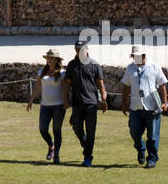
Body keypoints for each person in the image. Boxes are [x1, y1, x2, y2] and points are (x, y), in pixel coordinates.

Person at [121, 45, 168, 168]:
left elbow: (162, 84)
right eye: (135, 56)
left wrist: (164, 102)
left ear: (144, 55)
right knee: (134, 132)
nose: (138, 58)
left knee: (153, 136)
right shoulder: (130, 69)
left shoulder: (154, 67)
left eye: (140, 55)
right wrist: (124, 103)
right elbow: (126, 86)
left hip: (152, 107)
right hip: (136, 107)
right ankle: (140, 149)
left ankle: (152, 159)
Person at [64, 38, 107, 167]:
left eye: (81, 49)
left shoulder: (94, 65)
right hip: (77, 103)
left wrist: (104, 99)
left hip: (92, 103)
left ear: (87, 50)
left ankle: (88, 157)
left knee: (91, 131)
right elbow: (67, 84)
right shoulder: (71, 65)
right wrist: (65, 99)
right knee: (76, 126)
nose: (79, 52)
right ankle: (85, 144)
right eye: (77, 50)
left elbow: (100, 84)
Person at [26, 50, 67, 163]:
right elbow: (37, 86)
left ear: (56, 60)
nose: (48, 60)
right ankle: (51, 146)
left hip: (58, 106)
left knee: (56, 130)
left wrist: (66, 101)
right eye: (47, 58)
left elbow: (65, 89)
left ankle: (57, 155)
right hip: (45, 106)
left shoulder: (62, 73)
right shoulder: (41, 71)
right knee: (43, 129)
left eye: (51, 58)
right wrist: (31, 100)